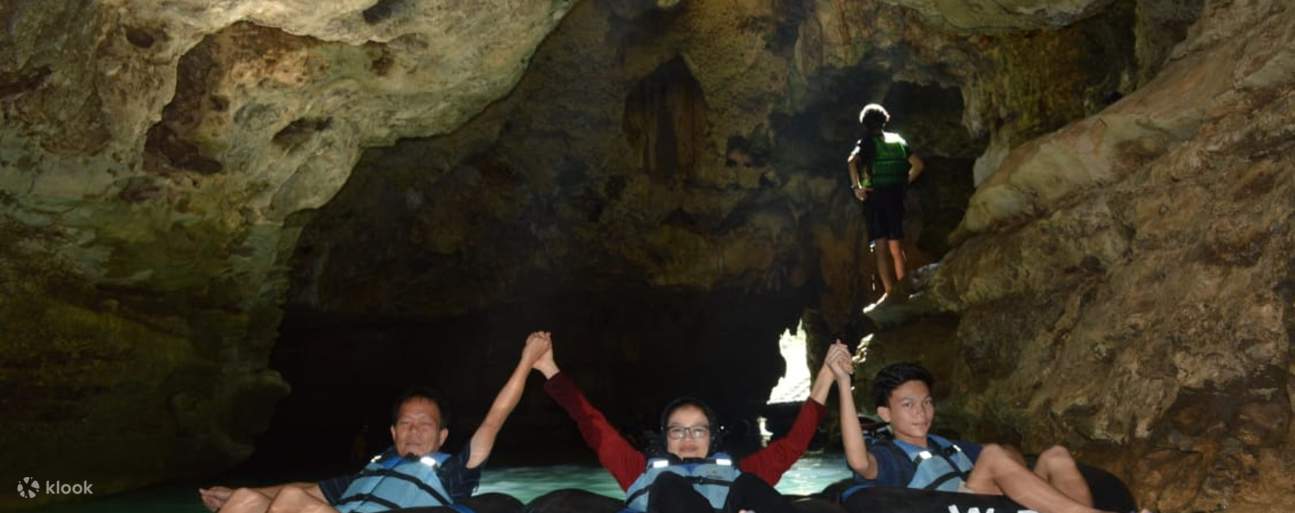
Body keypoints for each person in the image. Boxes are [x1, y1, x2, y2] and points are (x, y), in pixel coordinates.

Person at [197, 331, 554, 513]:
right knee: (245, 499)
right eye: (405, 423)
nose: (413, 430)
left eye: (424, 424)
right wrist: (245, 494)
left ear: (442, 435)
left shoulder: (454, 473)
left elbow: (495, 417)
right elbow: (313, 488)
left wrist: (527, 361)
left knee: (292, 499)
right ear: (393, 432)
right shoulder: (372, 471)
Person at [531, 335, 854, 513]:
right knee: (669, 485)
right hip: (670, 499)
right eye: (678, 430)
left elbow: (794, 444)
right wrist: (549, 369)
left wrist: (826, 374)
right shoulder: (636, 470)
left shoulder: (740, 474)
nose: (688, 437)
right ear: (665, 439)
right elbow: (591, 422)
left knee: (750, 485)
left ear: (712, 438)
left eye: (698, 429)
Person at [833, 360, 1148, 513]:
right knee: (995, 455)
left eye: (927, 402)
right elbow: (859, 461)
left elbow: (1002, 457)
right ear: (885, 414)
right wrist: (844, 384)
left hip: (991, 500)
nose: (922, 412)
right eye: (908, 405)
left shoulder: (947, 445)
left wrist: (1008, 460)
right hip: (955, 508)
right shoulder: (891, 456)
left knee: (1055, 455)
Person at [848, 103, 924, 299]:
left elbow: (851, 161)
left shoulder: (865, 142)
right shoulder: (898, 140)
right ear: (885, 120)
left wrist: (857, 188)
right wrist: (903, 182)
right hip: (895, 197)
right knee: (896, 247)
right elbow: (918, 165)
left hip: (875, 199)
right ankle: (904, 289)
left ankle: (891, 293)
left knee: (881, 248)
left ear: (864, 123)